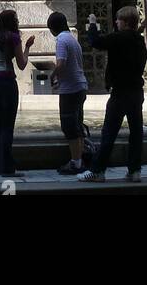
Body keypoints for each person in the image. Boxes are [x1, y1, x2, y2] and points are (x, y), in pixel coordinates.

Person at [78, 7, 147, 183]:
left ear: (124, 22)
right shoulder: (140, 41)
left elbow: (95, 42)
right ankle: (135, 171)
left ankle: (97, 171)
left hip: (120, 93)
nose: (116, 22)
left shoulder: (119, 38)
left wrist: (93, 24)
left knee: (109, 133)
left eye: (118, 20)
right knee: (136, 133)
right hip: (136, 92)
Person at [0, 10, 35, 178]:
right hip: (7, 83)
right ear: (12, 22)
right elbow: (22, 64)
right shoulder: (13, 37)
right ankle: (7, 169)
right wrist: (27, 47)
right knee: (7, 126)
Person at [47, 11, 89, 175]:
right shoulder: (72, 39)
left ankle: (76, 163)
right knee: (77, 125)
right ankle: (79, 160)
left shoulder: (61, 40)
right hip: (80, 86)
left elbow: (61, 63)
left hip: (70, 90)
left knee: (69, 126)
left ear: (53, 28)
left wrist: (53, 75)